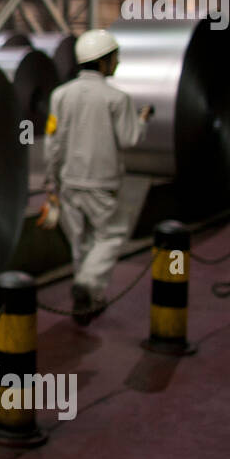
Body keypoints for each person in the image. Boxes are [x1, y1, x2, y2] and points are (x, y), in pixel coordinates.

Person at [43, 29, 154, 326]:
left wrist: (51, 181)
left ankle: (88, 301)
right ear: (103, 62)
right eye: (114, 57)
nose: (117, 62)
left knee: (80, 242)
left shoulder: (60, 95)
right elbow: (129, 138)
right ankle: (89, 285)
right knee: (111, 235)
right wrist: (142, 121)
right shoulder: (117, 98)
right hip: (102, 184)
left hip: (70, 182)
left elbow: (52, 141)